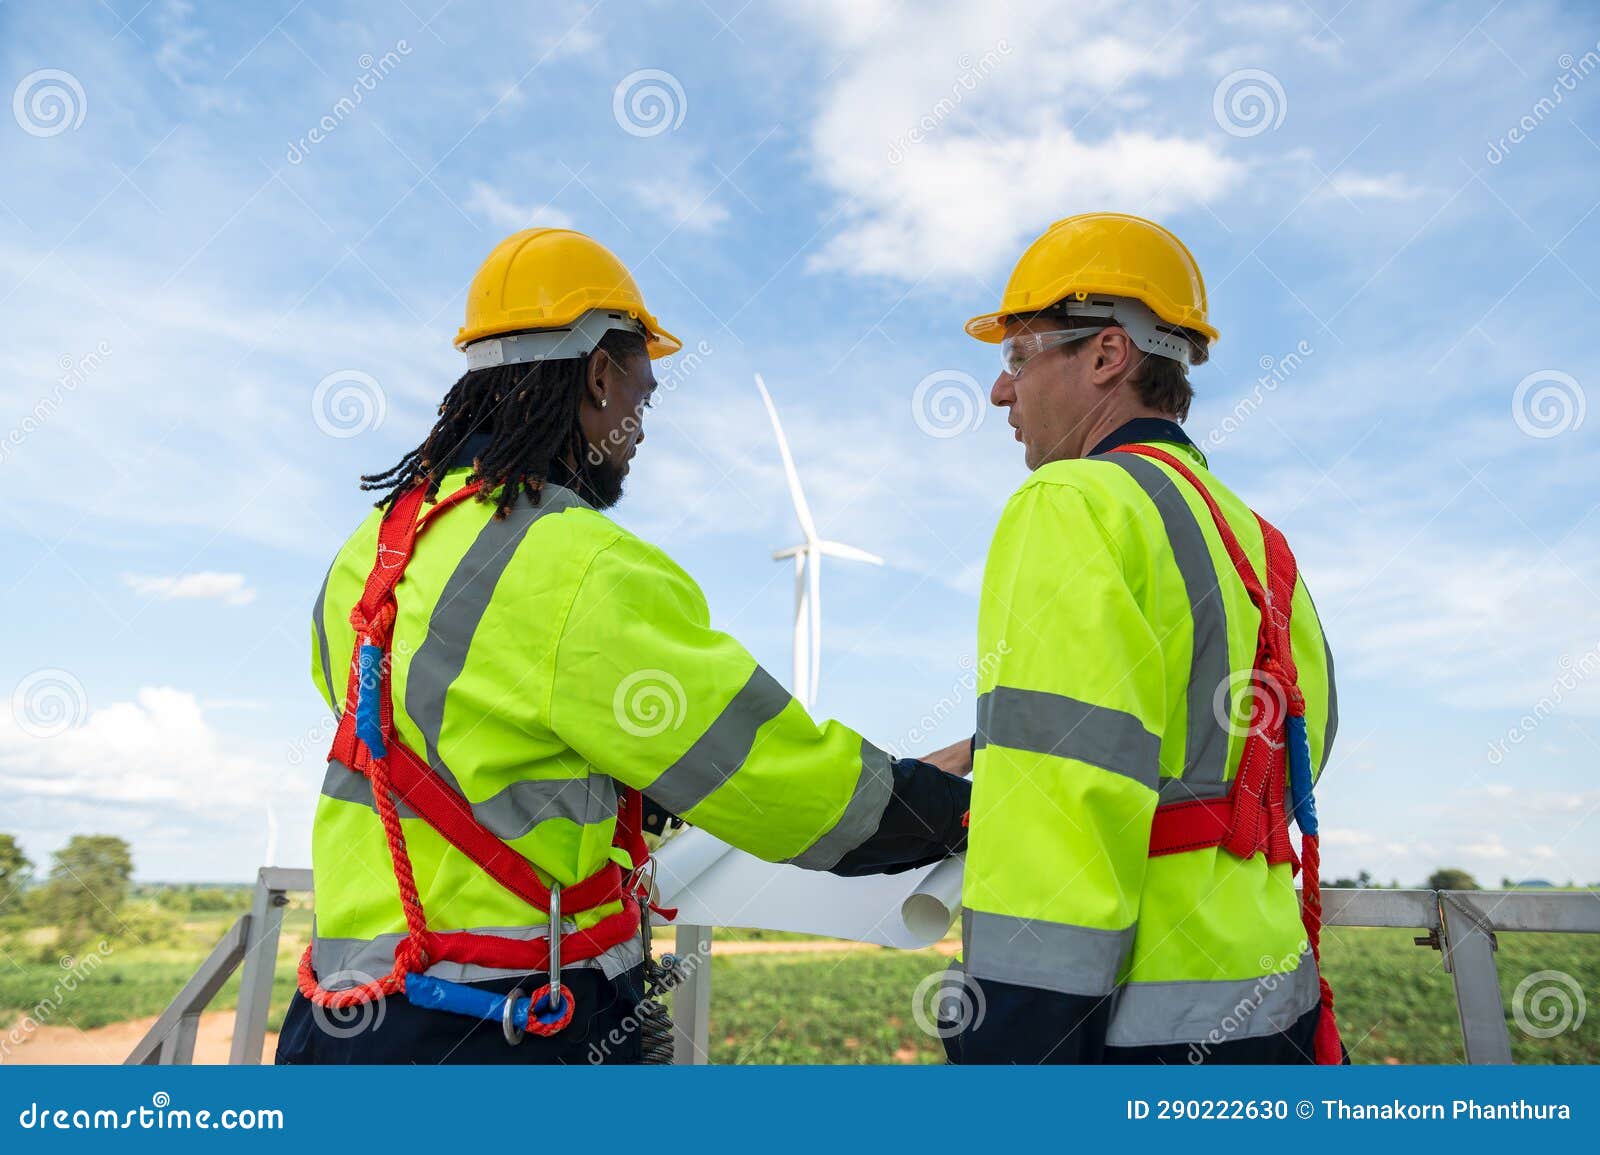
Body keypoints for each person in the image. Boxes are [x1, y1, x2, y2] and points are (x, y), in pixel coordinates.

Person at [277, 227, 970, 1065]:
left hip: (337, 1023)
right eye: (643, 392)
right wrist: (957, 810)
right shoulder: (582, 566)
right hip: (501, 1033)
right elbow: (783, 781)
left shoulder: (370, 550)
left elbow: (460, 748)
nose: (641, 424)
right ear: (598, 376)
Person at [943, 212, 1341, 1064]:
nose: (1000, 392)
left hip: (1135, 1034)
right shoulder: (1262, 543)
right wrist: (995, 745)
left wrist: (1010, 1053)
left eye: (1018, 357)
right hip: (1279, 1007)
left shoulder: (1074, 501)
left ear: (1105, 355)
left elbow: (1063, 805)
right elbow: (1292, 751)